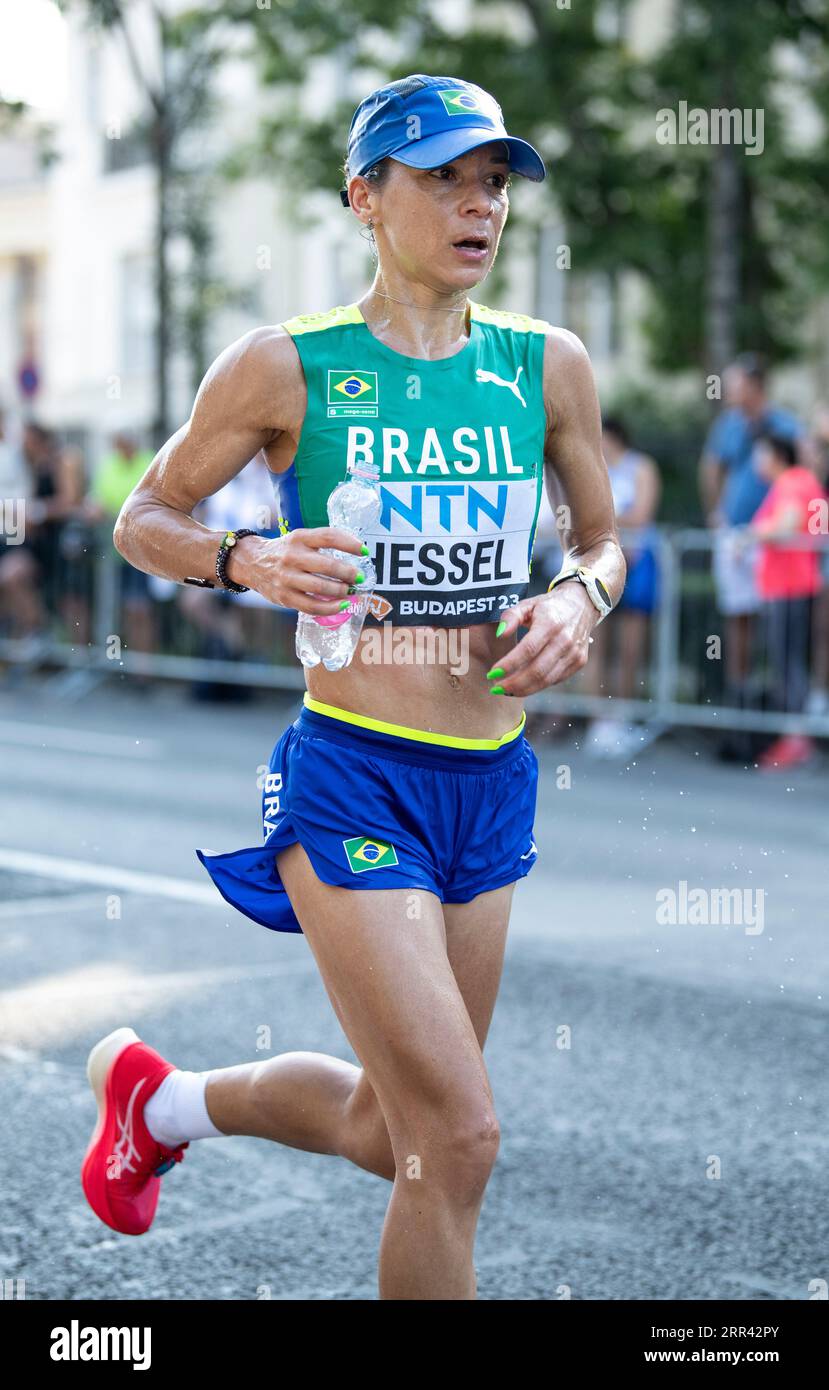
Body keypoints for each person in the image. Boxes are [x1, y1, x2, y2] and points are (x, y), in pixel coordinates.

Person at [80, 74, 624, 1300]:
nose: (478, 204)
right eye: (443, 177)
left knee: (397, 1131)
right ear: (365, 198)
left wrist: (577, 599)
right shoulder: (284, 366)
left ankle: (162, 1106)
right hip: (356, 779)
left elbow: (603, 541)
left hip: (491, 783)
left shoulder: (548, 366)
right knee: (461, 1140)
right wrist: (250, 558)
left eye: (493, 181)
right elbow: (141, 516)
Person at [698, 353, 803, 699]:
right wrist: (716, 513)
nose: (728, 391)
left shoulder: (785, 426)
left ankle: (779, 697)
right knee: (737, 614)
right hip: (737, 534)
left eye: (737, 384)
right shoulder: (729, 425)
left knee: (776, 619)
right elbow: (712, 468)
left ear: (756, 386)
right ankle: (739, 694)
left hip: (773, 538)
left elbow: (801, 473)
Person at [583, 415, 661, 759]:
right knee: (597, 645)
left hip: (637, 563)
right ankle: (600, 719)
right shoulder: (592, 468)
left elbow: (641, 515)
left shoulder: (640, 467)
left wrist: (603, 518)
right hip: (600, 564)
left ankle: (623, 715)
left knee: (630, 647)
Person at [744, 432, 824, 768]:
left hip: (789, 587)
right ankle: (796, 736)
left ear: (775, 454)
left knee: (787, 664)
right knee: (789, 662)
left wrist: (748, 535)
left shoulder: (792, 482)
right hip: (793, 585)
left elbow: (787, 526)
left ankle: (797, 739)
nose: (756, 460)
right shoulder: (802, 481)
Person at [86, 433, 159, 658]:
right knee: (126, 609)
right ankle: (130, 663)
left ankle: (143, 665)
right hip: (117, 552)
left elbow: (152, 499)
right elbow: (98, 496)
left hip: (146, 551)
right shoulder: (110, 465)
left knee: (140, 610)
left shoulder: (150, 461)